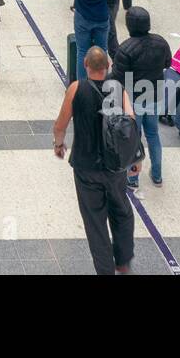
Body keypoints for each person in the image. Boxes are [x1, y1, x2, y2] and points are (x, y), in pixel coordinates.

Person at [52, 47, 136, 275]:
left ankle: (105, 270)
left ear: (86, 65)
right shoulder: (118, 90)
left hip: (85, 165)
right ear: (108, 67)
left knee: (95, 221)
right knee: (122, 211)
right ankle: (123, 259)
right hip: (114, 166)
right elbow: (131, 126)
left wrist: (58, 144)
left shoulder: (76, 89)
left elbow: (60, 125)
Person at [110, 6, 169, 192]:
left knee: (133, 138)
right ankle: (157, 175)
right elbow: (168, 63)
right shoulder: (161, 42)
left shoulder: (125, 49)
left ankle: (133, 178)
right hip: (154, 96)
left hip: (134, 100)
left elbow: (118, 78)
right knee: (153, 135)